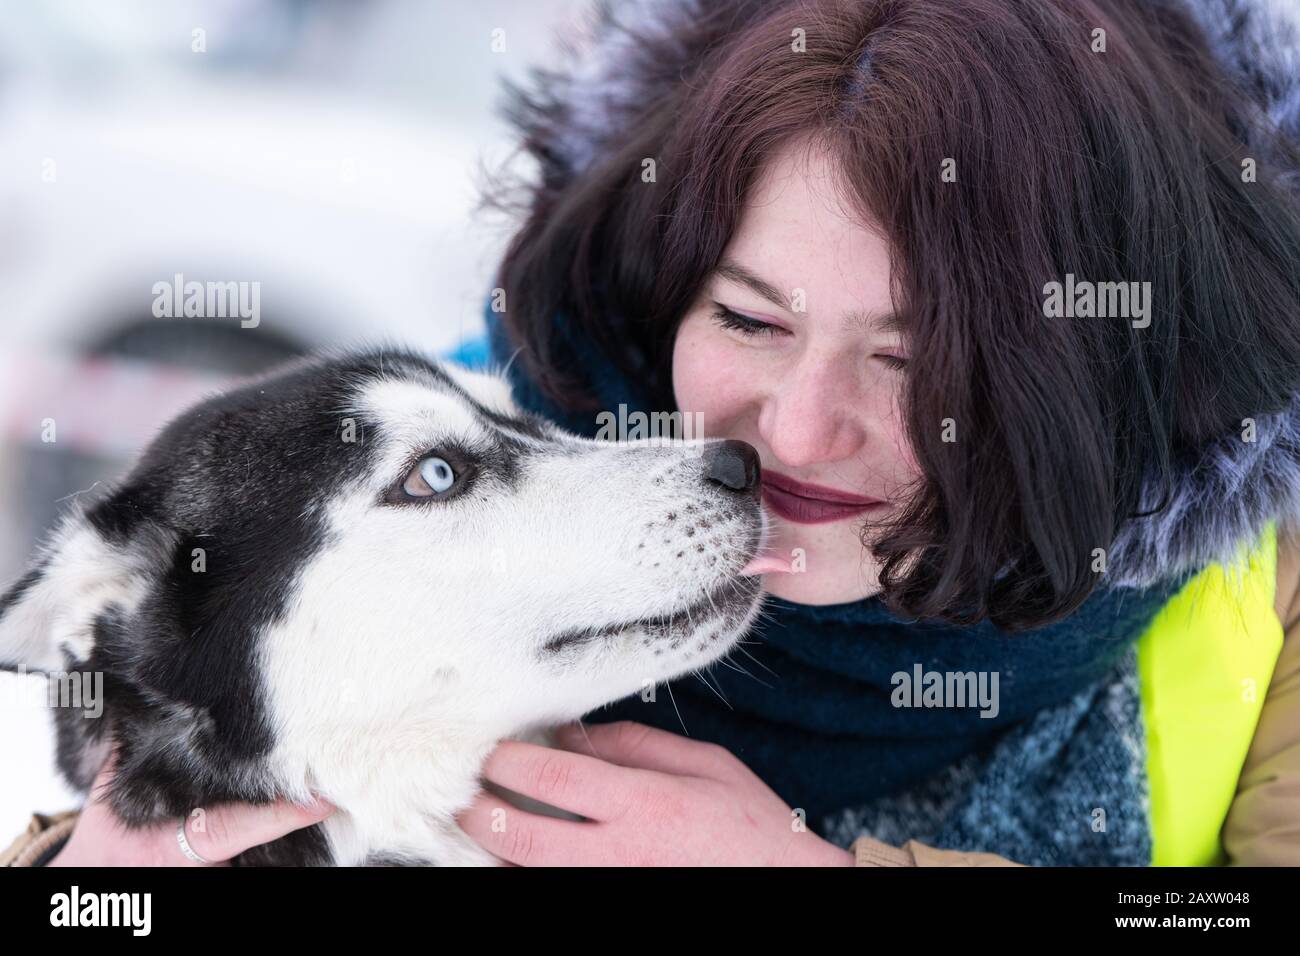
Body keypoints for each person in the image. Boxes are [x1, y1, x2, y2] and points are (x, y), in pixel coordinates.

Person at [8, 0, 1300, 867]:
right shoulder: (474, 488)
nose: (792, 431)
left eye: (915, 360)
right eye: (747, 319)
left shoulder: (1266, 613)